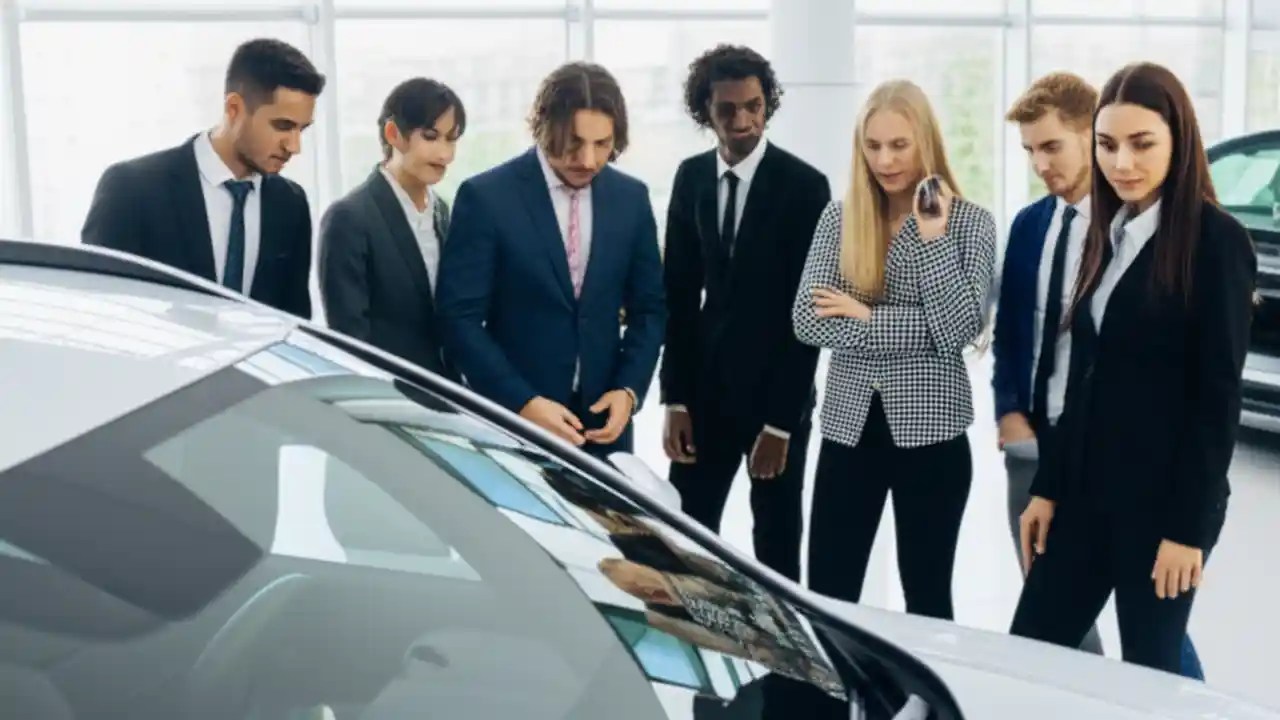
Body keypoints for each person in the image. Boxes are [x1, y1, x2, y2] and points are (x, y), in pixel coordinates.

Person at [1012, 62, 1257, 676]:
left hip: (1161, 510)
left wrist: (1188, 531)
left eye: (1141, 143)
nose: (1121, 162)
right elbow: (1088, 379)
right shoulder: (1107, 230)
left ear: (1179, 138)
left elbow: (1217, 398)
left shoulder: (1218, 242)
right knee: (1026, 651)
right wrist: (1049, 485)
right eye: (1107, 144)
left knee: (1150, 676)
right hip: (1085, 496)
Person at [792, 79, 997, 621]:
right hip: (848, 432)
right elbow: (806, 321)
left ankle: (923, 707)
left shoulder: (971, 224)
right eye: (873, 145)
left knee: (927, 599)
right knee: (830, 596)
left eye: (899, 145)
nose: (884, 160)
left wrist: (928, 240)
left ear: (925, 142)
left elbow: (958, 327)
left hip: (933, 436)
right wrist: (916, 328)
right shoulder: (840, 219)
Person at [659, 44, 830, 583]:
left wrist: (782, 422)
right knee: (684, 537)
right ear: (704, 112)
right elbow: (679, 296)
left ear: (768, 104)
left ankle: (788, 665)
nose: (742, 120)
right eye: (727, 109)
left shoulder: (805, 186)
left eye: (754, 106)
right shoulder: (689, 179)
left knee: (777, 546)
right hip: (705, 395)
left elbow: (808, 316)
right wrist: (675, 398)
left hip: (775, 398)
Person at [435, 62, 665, 457]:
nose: (589, 160)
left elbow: (650, 309)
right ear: (542, 127)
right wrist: (522, 403)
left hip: (604, 432)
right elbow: (459, 319)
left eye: (603, 144)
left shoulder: (633, 198)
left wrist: (628, 390)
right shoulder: (486, 197)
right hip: (514, 423)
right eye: (573, 143)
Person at [82, 38, 324, 319]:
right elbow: (102, 310)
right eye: (282, 126)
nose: (294, 146)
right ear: (234, 109)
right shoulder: (131, 189)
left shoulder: (290, 203)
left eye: (301, 130)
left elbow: (293, 323)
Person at [993, 72, 1107, 657]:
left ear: (1092, 134)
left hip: (1102, 446)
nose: (1040, 163)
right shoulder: (1030, 224)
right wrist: (1009, 412)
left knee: (1143, 613)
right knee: (1045, 595)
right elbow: (1011, 331)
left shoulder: (1126, 230)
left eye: (1051, 146)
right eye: (1030, 150)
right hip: (1034, 441)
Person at [318, 78, 465, 379]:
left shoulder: (443, 212)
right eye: (431, 136)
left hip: (448, 395)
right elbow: (349, 340)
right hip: (388, 400)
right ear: (393, 133)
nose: (445, 154)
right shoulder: (349, 218)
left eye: (452, 139)